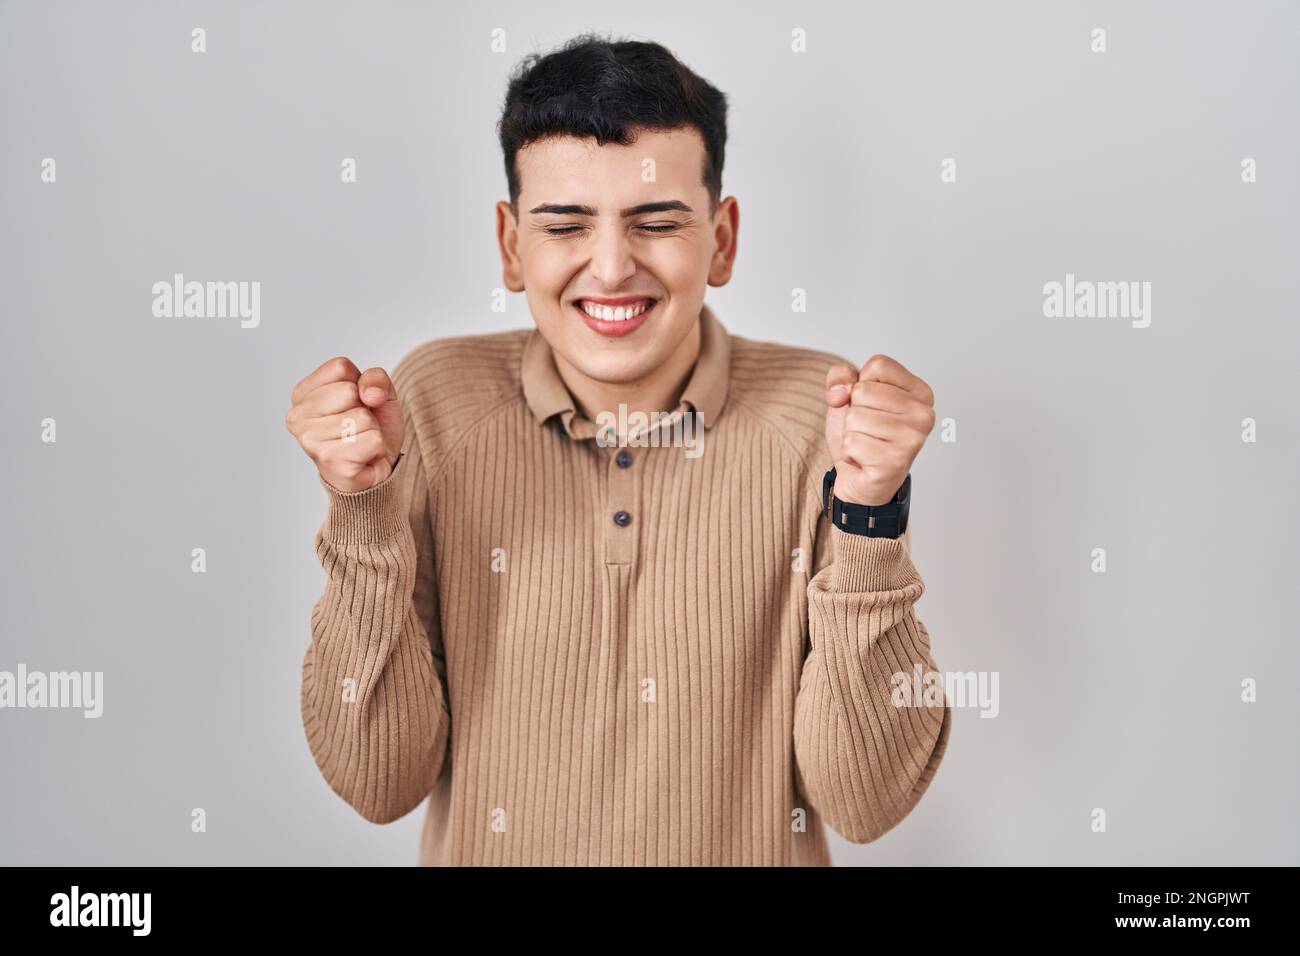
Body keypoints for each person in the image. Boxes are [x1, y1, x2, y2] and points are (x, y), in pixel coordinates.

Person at [284, 33, 950, 866]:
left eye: (657, 221)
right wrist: (361, 508)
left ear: (723, 239)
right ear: (510, 246)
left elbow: (866, 800)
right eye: (565, 224)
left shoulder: (822, 417)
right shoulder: (432, 404)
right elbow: (376, 782)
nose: (610, 268)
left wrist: (870, 514)